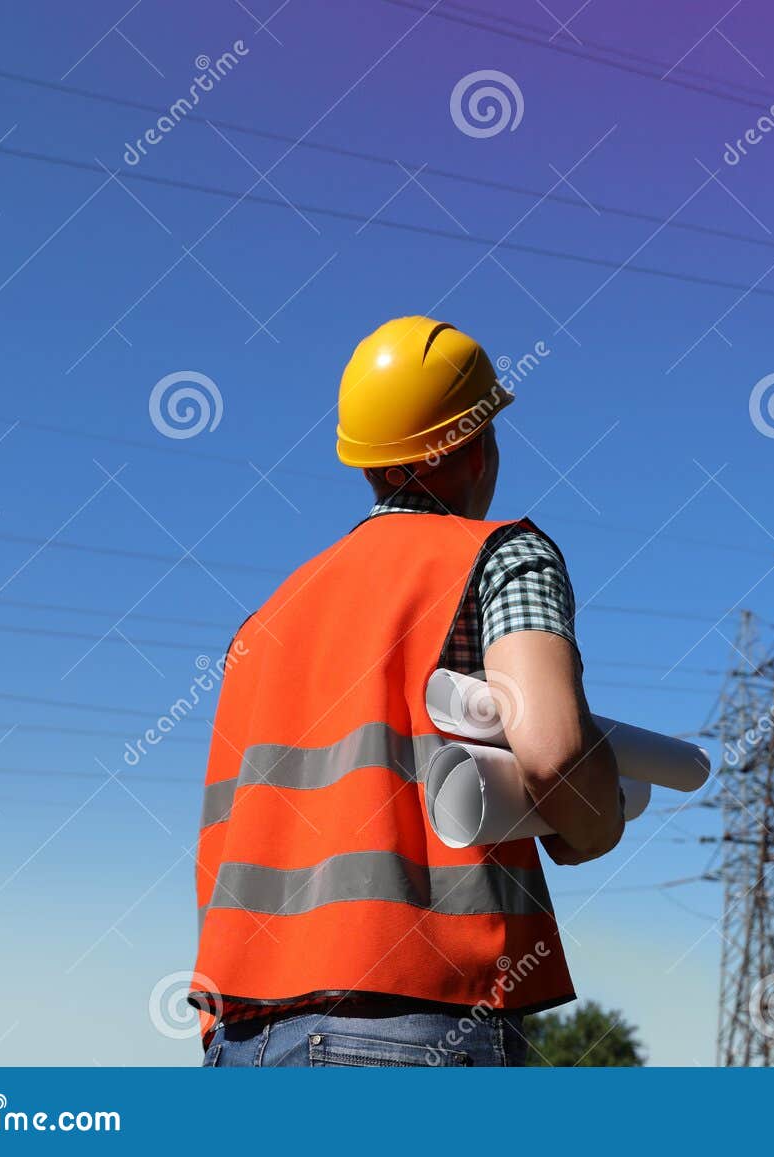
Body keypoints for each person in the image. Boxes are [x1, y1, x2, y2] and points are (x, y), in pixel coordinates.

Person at [190, 316, 623, 1067]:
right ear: (477, 446)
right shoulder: (500, 555)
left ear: (367, 464)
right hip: (414, 1020)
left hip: (241, 1037)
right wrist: (596, 824)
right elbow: (555, 754)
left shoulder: (264, 621)